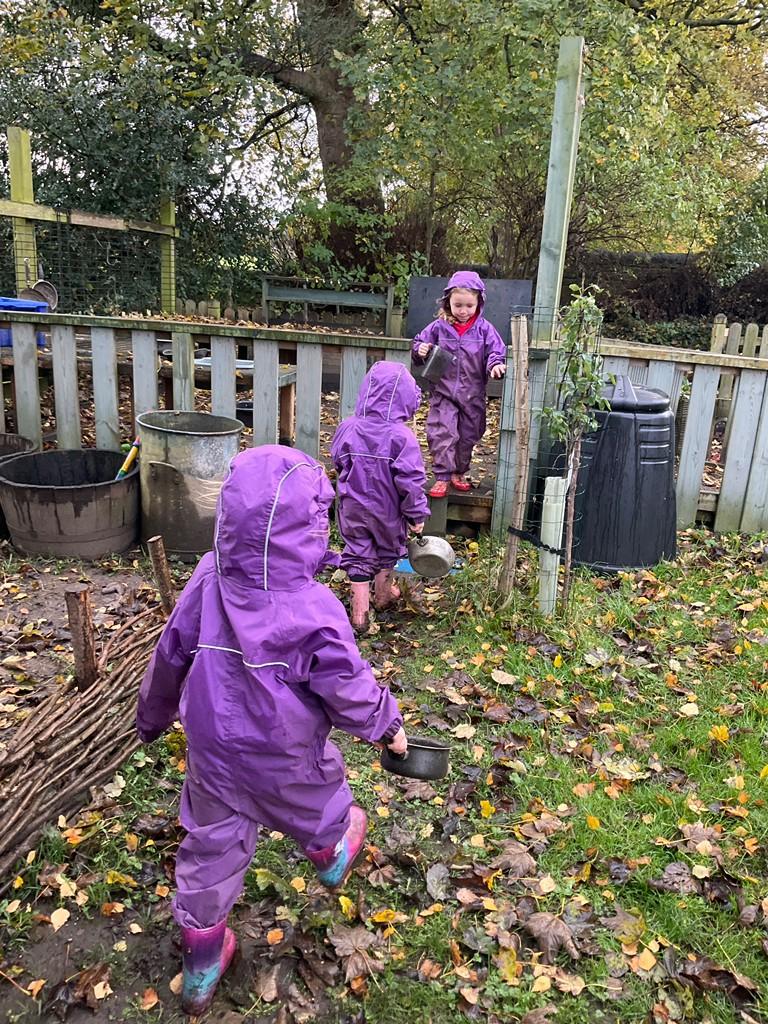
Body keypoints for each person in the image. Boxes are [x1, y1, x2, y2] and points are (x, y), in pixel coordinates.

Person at [136, 446, 407, 1016]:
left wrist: (153, 715)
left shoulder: (208, 577)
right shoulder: (315, 609)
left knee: (209, 850)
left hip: (212, 755)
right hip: (283, 755)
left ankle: (204, 961)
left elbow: (169, 654)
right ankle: (332, 849)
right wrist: (388, 727)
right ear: (307, 526)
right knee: (320, 799)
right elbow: (349, 686)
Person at [331, 360, 429, 630]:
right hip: (388, 511)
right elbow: (411, 481)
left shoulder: (348, 427)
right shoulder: (402, 437)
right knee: (388, 550)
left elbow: (337, 460)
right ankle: (384, 598)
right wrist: (416, 514)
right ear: (405, 399)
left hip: (353, 505)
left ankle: (359, 615)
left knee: (358, 551)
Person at [411, 270, 506, 498]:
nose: (463, 311)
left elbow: (496, 351)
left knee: (468, 435)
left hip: (473, 394)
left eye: (469, 306)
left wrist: (495, 365)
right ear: (448, 303)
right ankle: (442, 476)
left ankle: (459, 472)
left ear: (479, 304)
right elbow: (419, 343)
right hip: (443, 392)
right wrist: (420, 350)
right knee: (442, 432)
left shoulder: (484, 330)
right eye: (458, 305)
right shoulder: (438, 327)